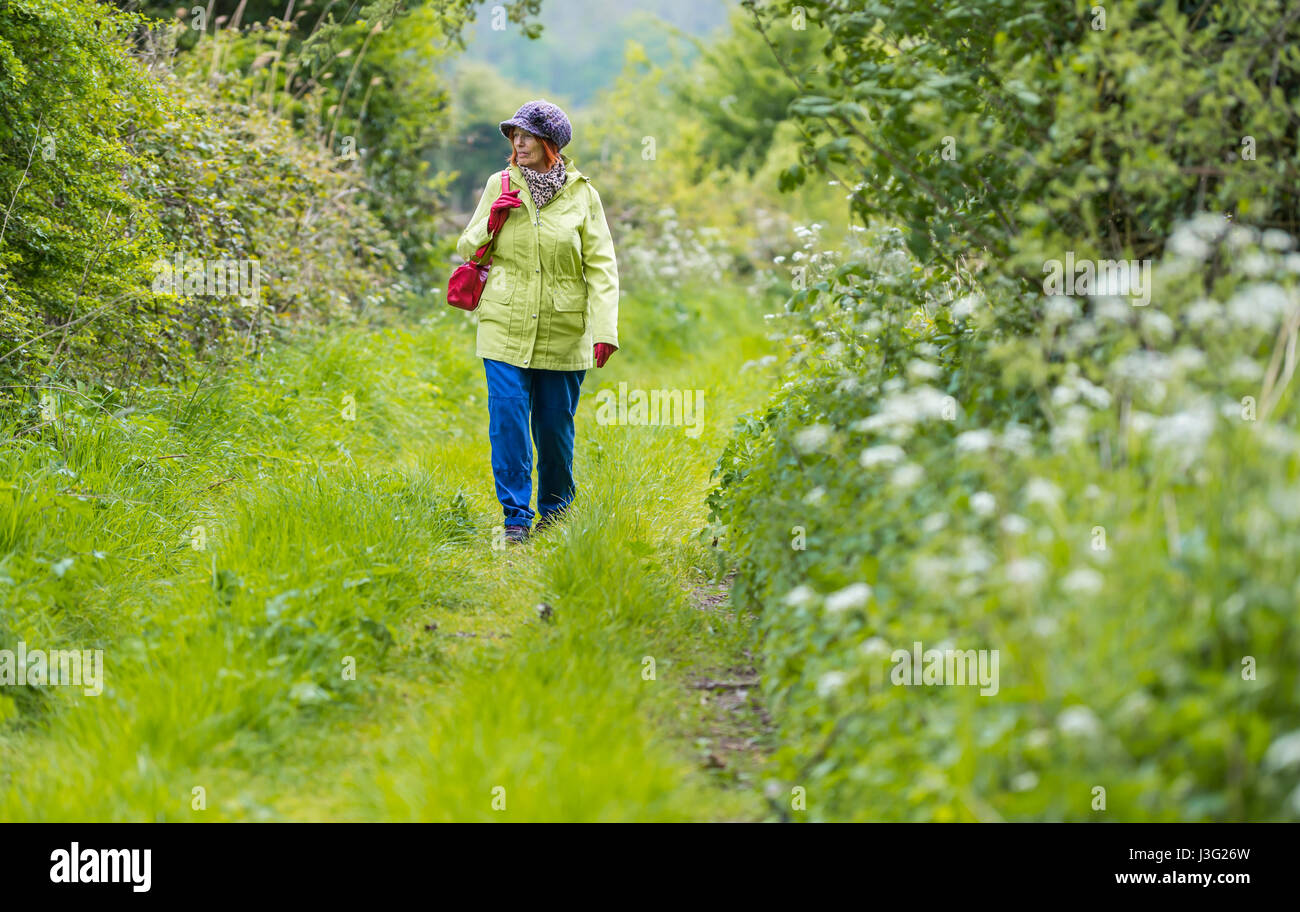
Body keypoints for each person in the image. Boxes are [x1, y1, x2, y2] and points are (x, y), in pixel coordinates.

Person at [456, 99, 620, 543]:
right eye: (514, 134)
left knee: (553, 428)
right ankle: (515, 518)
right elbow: (467, 249)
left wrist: (605, 330)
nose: (518, 141)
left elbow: (602, 267)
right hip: (503, 323)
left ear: (552, 144)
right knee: (507, 418)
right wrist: (491, 220)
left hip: (564, 331)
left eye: (528, 134)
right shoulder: (500, 183)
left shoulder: (585, 195)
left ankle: (556, 511)